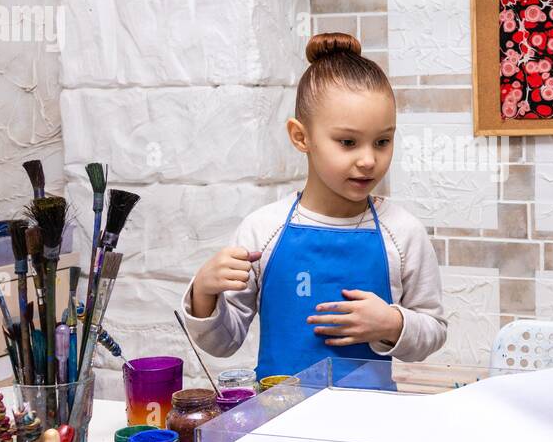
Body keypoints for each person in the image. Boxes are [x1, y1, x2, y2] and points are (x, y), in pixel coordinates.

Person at [181, 33, 447, 389]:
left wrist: (392, 323)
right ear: (300, 136)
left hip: (374, 424)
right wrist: (203, 291)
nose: (369, 160)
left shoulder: (403, 232)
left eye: (383, 141)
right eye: (348, 142)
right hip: (281, 421)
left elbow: (433, 330)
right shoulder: (263, 229)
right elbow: (222, 343)